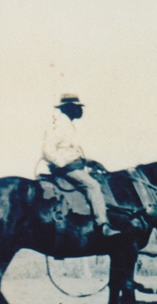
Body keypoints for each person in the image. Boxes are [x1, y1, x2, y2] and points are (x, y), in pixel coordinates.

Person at [42, 94, 120, 237]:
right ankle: (102, 224)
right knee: (93, 186)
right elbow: (48, 151)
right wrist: (64, 164)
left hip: (73, 166)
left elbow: (68, 151)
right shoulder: (59, 125)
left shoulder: (67, 125)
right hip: (66, 169)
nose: (81, 110)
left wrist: (88, 161)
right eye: (78, 107)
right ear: (69, 108)